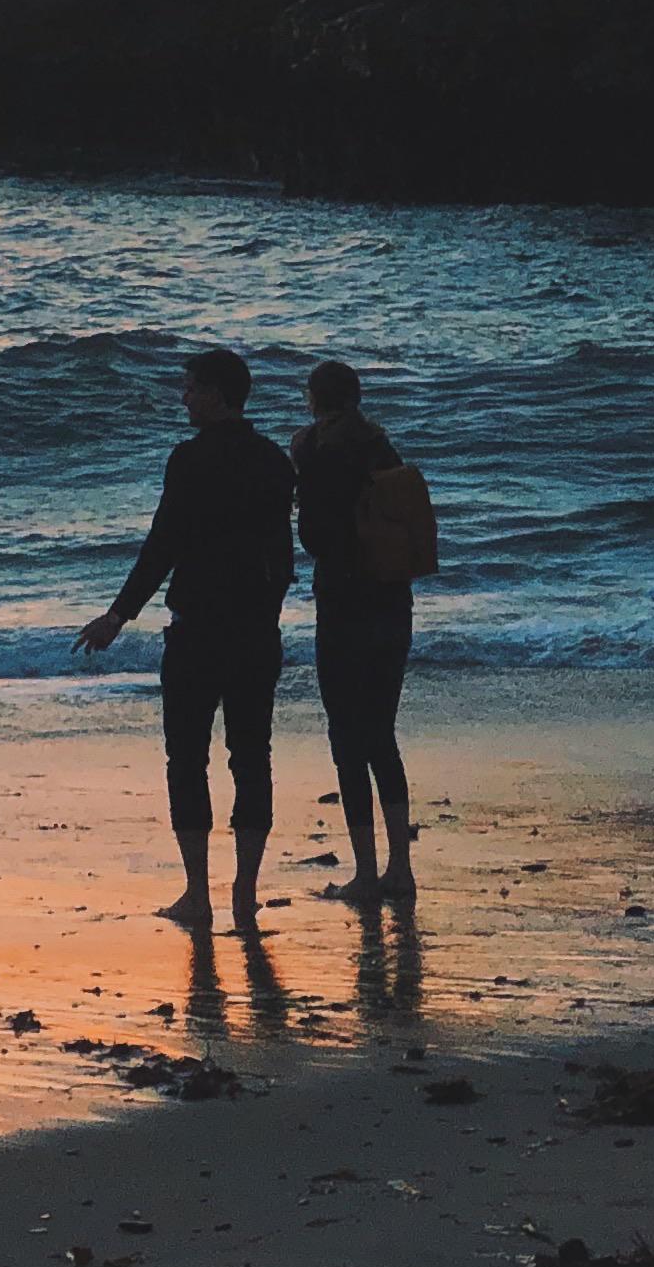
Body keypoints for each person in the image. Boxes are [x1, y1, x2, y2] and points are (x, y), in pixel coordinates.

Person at [77, 346, 295, 929]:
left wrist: (118, 616)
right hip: (254, 633)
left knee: (187, 760)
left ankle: (198, 893)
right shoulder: (275, 462)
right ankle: (244, 893)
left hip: (198, 631)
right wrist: (267, 609)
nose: (185, 397)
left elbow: (162, 546)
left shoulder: (190, 461)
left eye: (193, 387)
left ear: (219, 395)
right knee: (252, 758)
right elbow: (285, 557)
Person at [292, 357, 417, 908]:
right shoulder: (382, 448)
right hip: (393, 600)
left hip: (344, 604)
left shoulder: (321, 454)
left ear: (316, 400)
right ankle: (401, 869)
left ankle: (366, 874)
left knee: (347, 738)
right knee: (382, 735)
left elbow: (316, 538)